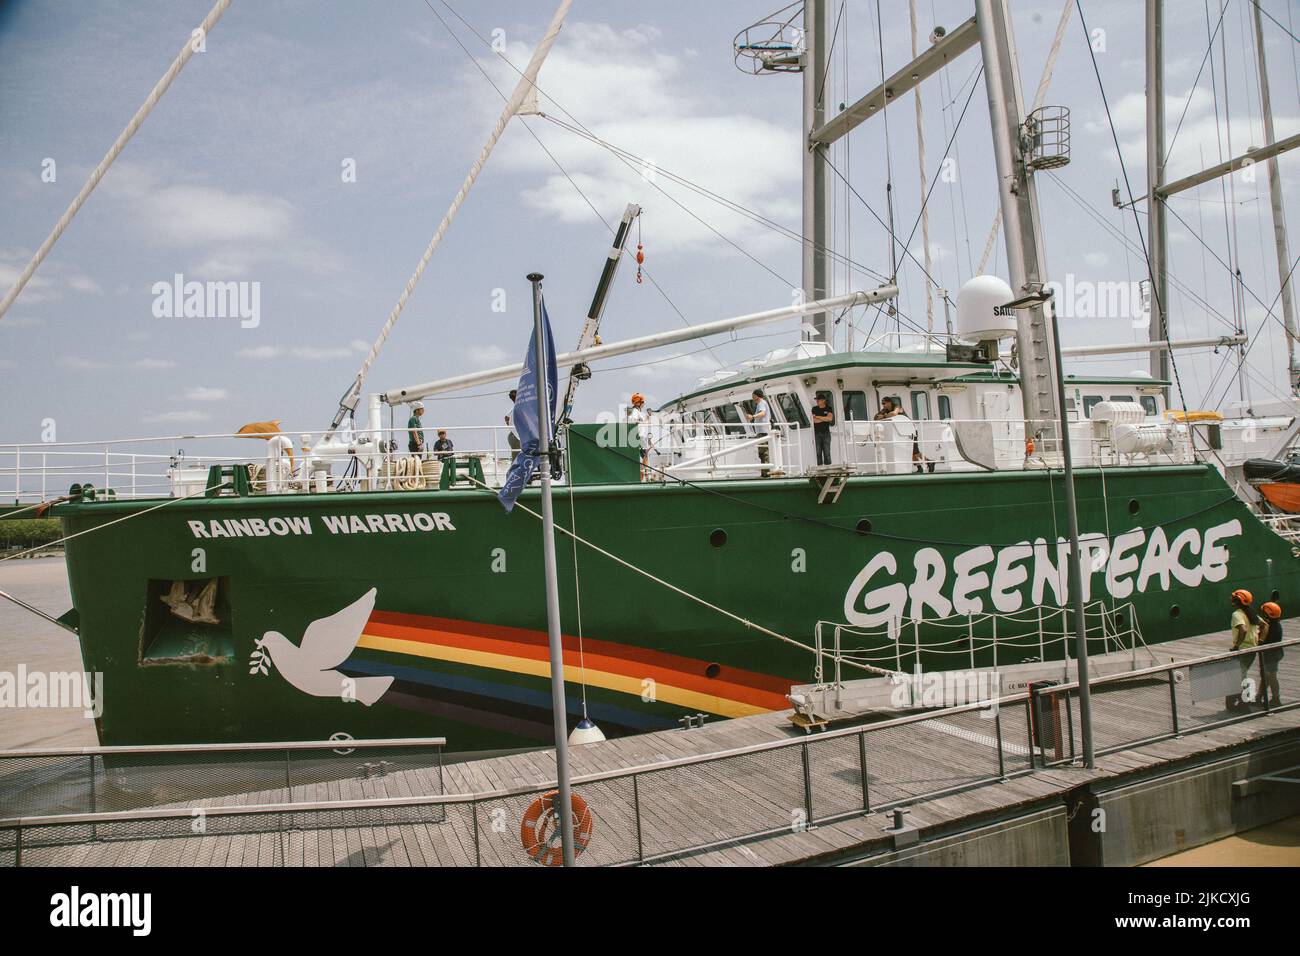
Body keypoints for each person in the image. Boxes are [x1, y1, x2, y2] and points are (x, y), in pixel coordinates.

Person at [1228, 589, 1260, 711]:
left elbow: (1243, 629)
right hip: (1253, 649)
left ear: (1237, 601)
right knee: (1241, 675)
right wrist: (1260, 641)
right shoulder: (1251, 613)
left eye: (1233, 598)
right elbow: (1265, 626)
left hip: (1243, 650)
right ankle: (1240, 702)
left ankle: (1245, 705)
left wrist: (1237, 645)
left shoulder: (1237, 614)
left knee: (1241, 677)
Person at [1258, 601, 1284, 707]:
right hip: (1275, 653)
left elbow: (1265, 640)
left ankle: (1276, 699)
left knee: (1271, 676)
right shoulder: (1276, 625)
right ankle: (1259, 697)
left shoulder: (1270, 627)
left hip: (1271, 655)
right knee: (1267, 676)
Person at [746, 388, 772, 477]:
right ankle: (764, 472)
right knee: (762, 452)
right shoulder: (761, 404)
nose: (752, 397)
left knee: (764, 452)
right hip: (761, 432)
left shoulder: (761, 403)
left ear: (757, 396)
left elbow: (763, 413)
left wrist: (753, 417)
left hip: (763, 432)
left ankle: (766, 473)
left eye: (753, 395)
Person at [628, 392, 650, 480]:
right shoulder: (635, 412)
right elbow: (633, 421)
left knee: (644, 457)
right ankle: (644, 477)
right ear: (639, 402)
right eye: (643, 402)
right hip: (640, 437)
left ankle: (644, 476)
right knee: (644, 457)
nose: (644, 404)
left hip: (642, 437)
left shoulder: (638, 412)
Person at [812, 394, 834, 466]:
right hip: (817, 433)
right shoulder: (814, 409)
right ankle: (819, 467)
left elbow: (830, 419)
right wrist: (824, 418)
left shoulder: (829, 408)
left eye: (818, 400)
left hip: (826, 433)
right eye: (817, 400)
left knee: (827, 451)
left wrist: (818, 417)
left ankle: (828, 467)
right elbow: (814, 421)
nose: (817, 401)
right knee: (818, 451)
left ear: (823, 400)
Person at [506, 389, 521, 462]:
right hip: (516, 436)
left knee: (516, 457)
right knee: (517, 458)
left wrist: (510, 426)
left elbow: (506, 417)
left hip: (514, 435)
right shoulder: (518, 408)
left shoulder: (514, 408)